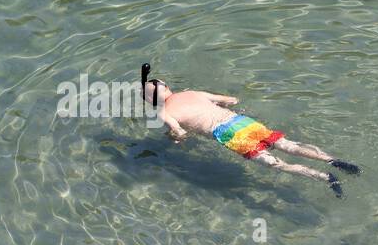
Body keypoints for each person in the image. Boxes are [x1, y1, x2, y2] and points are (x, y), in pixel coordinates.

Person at [140, 63, 361, 197]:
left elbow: (180, 133)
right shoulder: (193, 93)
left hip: (226, 134)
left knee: (274, 163)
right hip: (240, 120)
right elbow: (231, 100)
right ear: (167, 86)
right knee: (287, 145)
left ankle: (325, 177)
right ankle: (332, 160)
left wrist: (175, 139)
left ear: (150, 102)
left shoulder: (163, 112)